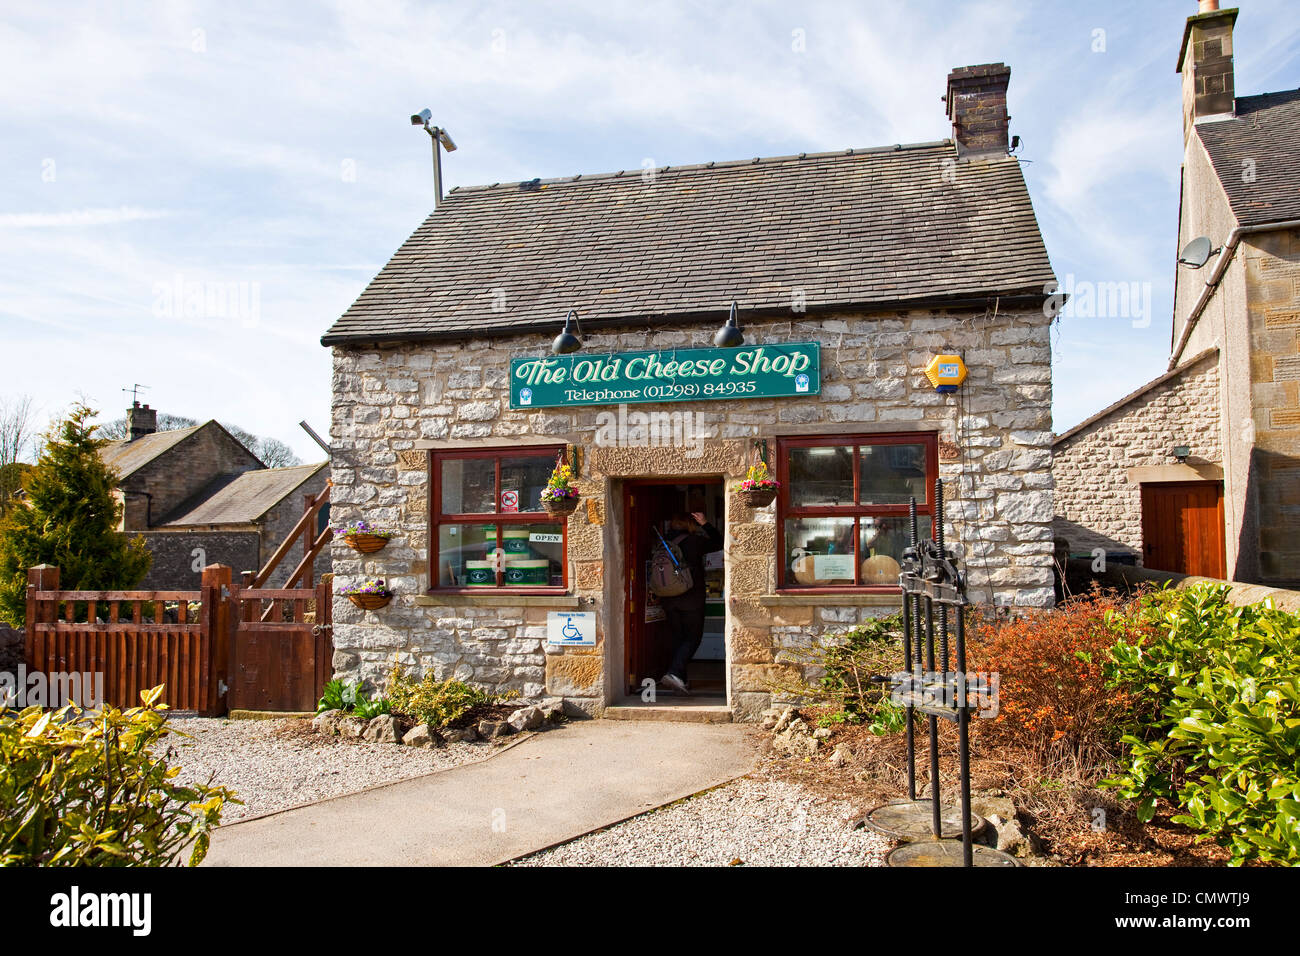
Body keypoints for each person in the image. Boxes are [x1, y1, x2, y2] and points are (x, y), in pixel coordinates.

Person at [658, 511, 723, 695]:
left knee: (679, 639)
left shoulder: (662, 543)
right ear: (691, 524)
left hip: (669, 599)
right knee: (693, 638)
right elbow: (719, 542)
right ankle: (673, 673)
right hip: (691, 599)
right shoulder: (694, 541)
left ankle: (681, 681)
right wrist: (706, 523)